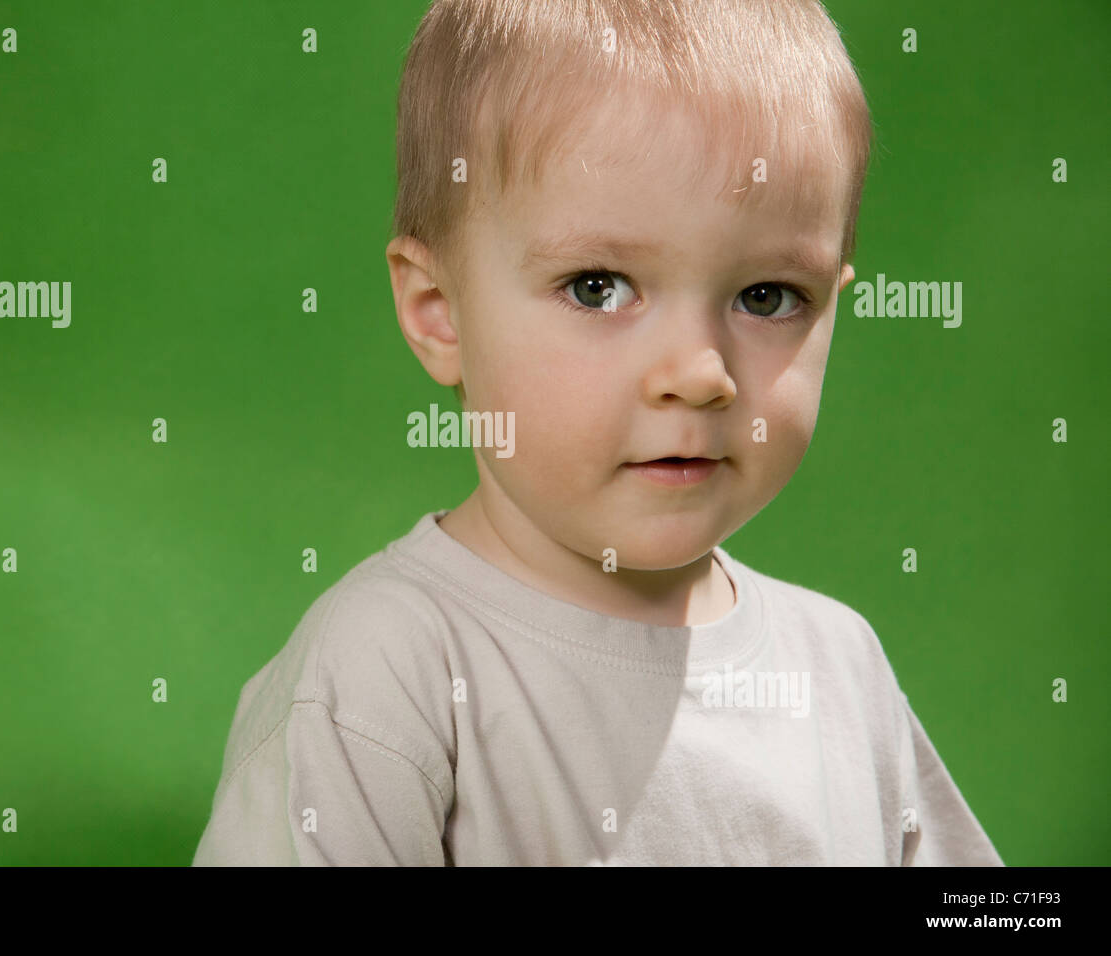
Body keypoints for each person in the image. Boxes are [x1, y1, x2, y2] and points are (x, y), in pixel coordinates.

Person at [193, 0, 1003, 866]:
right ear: (441, 314)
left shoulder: (840, 666)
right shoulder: (386, 676)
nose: (700, 373)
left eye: (767, 296)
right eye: (598, 287)